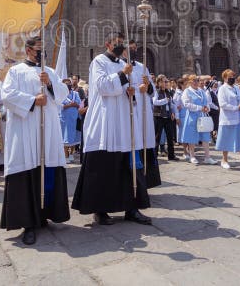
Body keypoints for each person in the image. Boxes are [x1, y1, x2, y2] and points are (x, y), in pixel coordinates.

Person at [72, 32, 154, 226]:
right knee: (103, 167)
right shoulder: (98, 61)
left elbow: (128, 88)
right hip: (105, 121)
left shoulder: (123, 64)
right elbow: (102, 87)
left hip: (124, 122)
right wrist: (122, 75)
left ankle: (131, 208)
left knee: (128, 168)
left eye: (121, 43)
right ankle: (100, 210)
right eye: (116, 43)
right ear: (107, 44)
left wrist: (131, 91)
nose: (120, 46)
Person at [0, 36, 70, 245]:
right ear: (29, 50)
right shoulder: (16, 71)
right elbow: (7, 95)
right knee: (28, 169)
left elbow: (62, 94)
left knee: (48, 170)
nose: (42, 53)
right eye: (39, 49)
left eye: (44, 49)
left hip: (48, 129)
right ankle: (28, 222)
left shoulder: (51, 72)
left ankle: (47, 213)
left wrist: (49, 84)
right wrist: (32, 100)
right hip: (25, 131)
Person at [125, 40, 160, 188]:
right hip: (130, 112)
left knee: (145, 142)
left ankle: (146, 180)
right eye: (131, 48)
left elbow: (153, 92)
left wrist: (148, 86)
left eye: (135, 48)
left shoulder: (142, 67)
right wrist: (136, 91)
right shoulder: (120, 68)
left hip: (143, 112)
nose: (134, 50)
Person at [216, 69, 240, 171]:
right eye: (230, 77)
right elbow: (222, 104)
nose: (232, 78)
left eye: (233, 76)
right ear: (225, 78)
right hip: (227, 119)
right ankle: (224, 160)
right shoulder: (222, 89)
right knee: (226, 140)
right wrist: (235, 107)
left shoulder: (236, 88)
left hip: (238, 119)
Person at [179, 74, 217, 165]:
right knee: (192, 136)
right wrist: (199, 108)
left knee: (205, 136)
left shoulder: (201, 91)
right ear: (189, 82)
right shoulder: (187, 91)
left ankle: (207, 157)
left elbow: (207, 102)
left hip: (202, 116)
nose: (196, 82)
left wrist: (207, 107)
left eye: (197, 80)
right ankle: (192, 156)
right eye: (194, 80)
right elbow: (186, 104)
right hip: (192, 116)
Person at [152, 75, 177, 160]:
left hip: (168, 117)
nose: (166, 83)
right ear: (159, 83)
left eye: (166, 81)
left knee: (170, 137)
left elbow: (172, 104)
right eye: (163, 81)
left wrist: (173, 112)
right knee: (157, 137)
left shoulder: (168, 92)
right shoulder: (156, 91)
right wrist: (165, 100)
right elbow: (155, 102)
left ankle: (171, 155)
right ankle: (154, 157)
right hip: (159, 117)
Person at [60, 77, 82, 163]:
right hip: (64, 120)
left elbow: (78, 104)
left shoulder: (75, 94)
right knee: (65, 137)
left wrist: (74, 104)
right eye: (66, 84)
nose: (68, 85)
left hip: (73, 119)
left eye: (69, 83)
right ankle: (66, 156)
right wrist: (69, 105)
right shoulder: (61, 95)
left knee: (73, 136)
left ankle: (71, 154)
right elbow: (60, 106)